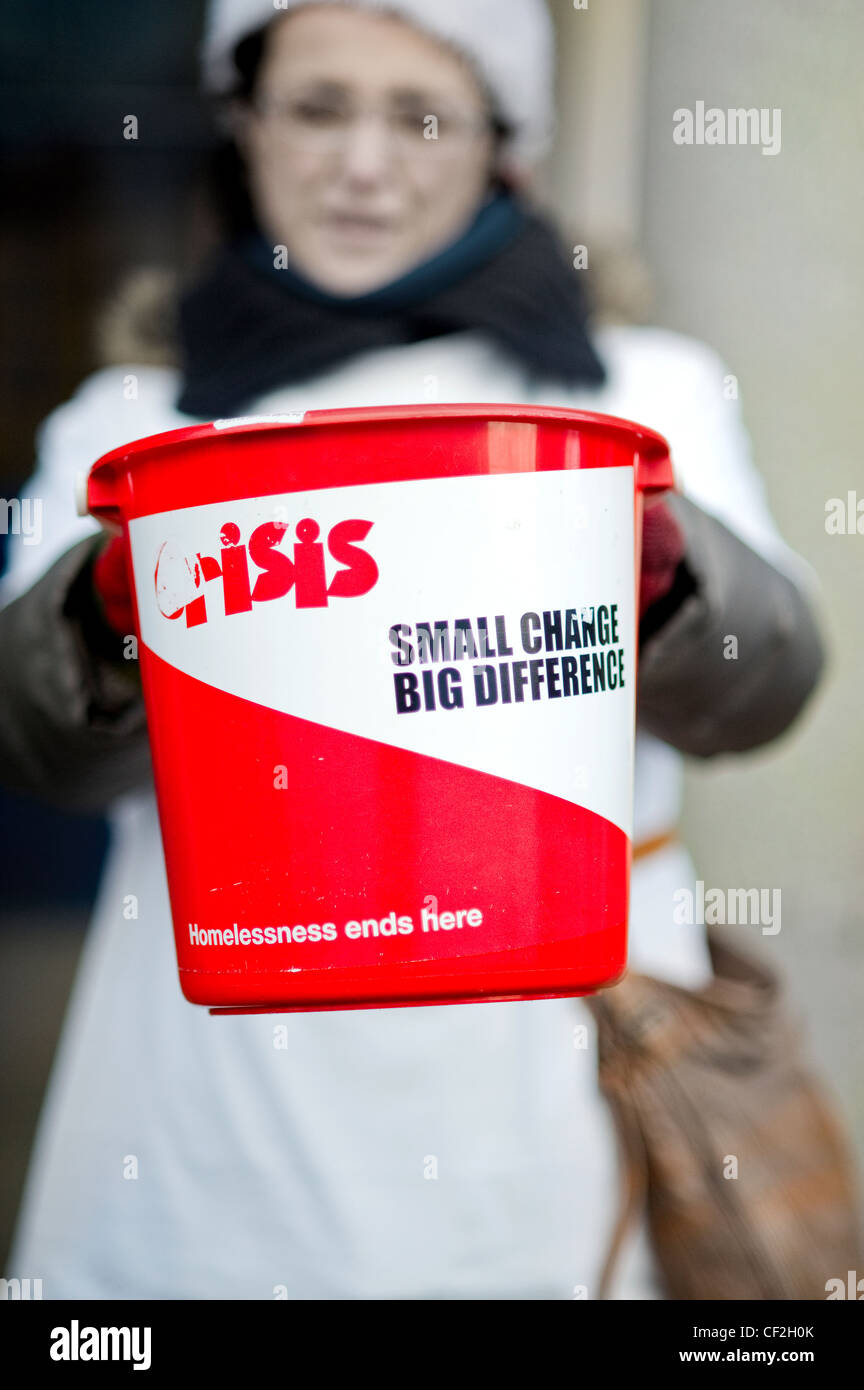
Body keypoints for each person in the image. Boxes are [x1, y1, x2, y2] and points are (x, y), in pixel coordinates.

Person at [0, 0, 825, 1300]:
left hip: (544, 1086)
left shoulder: (634, 395)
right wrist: (104, 602)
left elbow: (767, 685)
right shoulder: (136, 418)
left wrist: (672, 574)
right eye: (317, 108)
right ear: (246, 127)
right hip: (217, 1102)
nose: (363, 164)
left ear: (507, 146)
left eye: (420, 115)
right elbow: (36, 743)